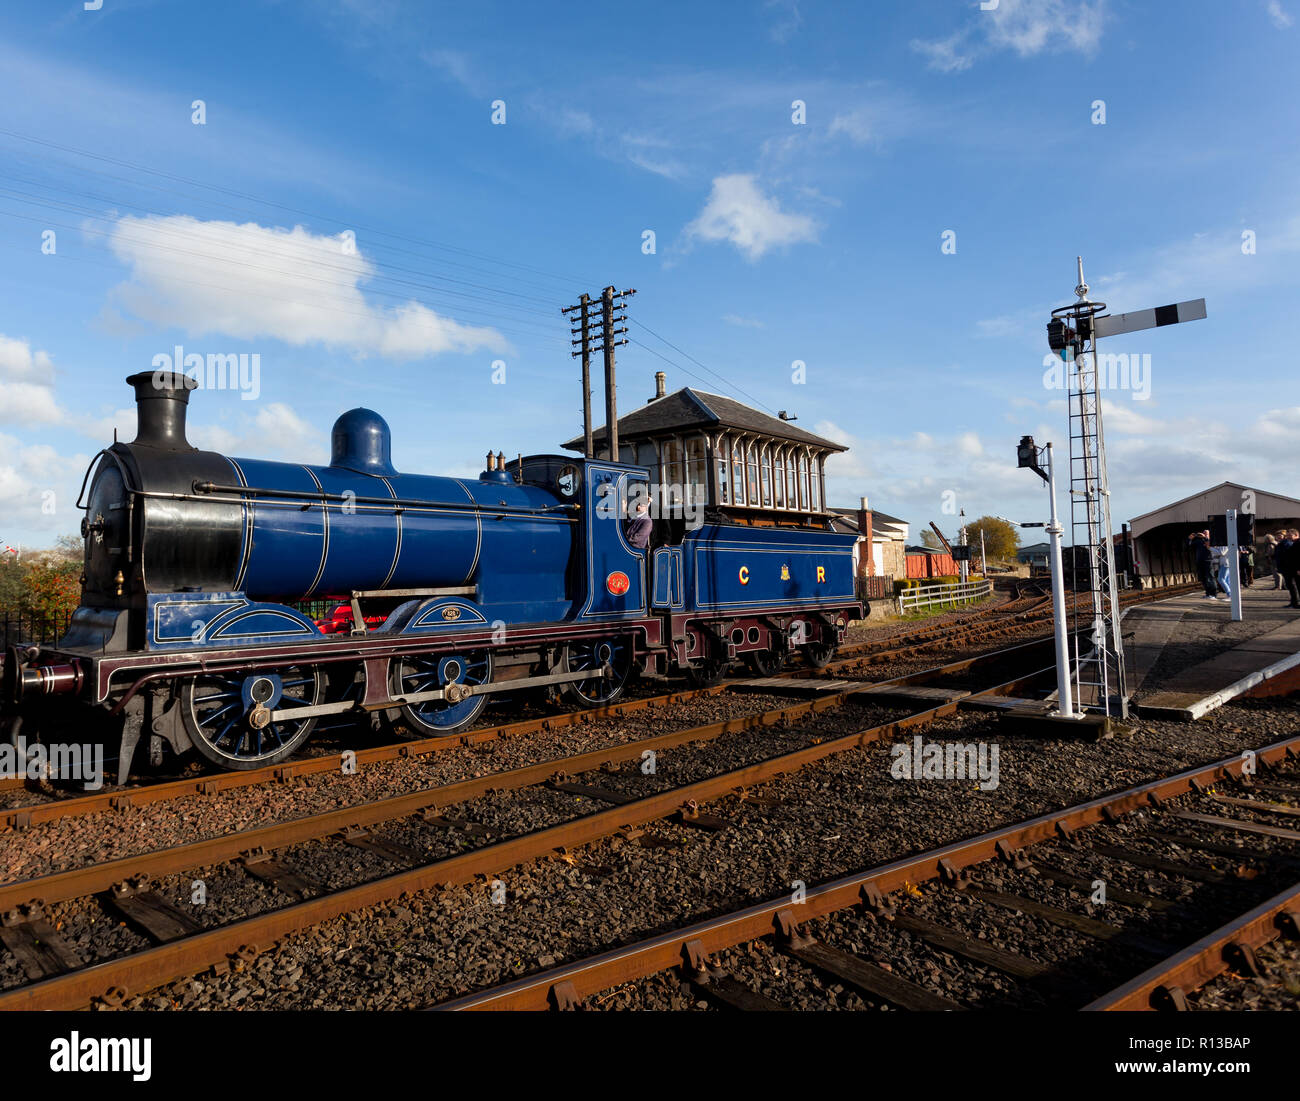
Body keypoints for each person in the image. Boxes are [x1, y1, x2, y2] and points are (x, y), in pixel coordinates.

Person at [1190, 530, 1217, 599]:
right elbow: (1190, 546)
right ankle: (1208, 593)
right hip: (1200, 561)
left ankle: (1213, 594)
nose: (1204, 534)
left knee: (1210, 578)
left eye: (1206, 533)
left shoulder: (1211, 540)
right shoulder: (1199, 541)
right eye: (1203, 533)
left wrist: (1205, 537)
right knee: (1203, 578)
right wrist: (1191, 539)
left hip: (1208, 561)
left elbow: (1212, 546)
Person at [1281, 529, 1300, 609]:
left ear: (1296, 535)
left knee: (1298, 586)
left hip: (1297, 569)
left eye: (1290, 535)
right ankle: (1294, 603)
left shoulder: (1298, 543)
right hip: (1291, 568)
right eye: (1287, 535)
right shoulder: (1294, 543)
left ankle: (1295, 603)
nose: (1288, 537)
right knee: (1293, 586)